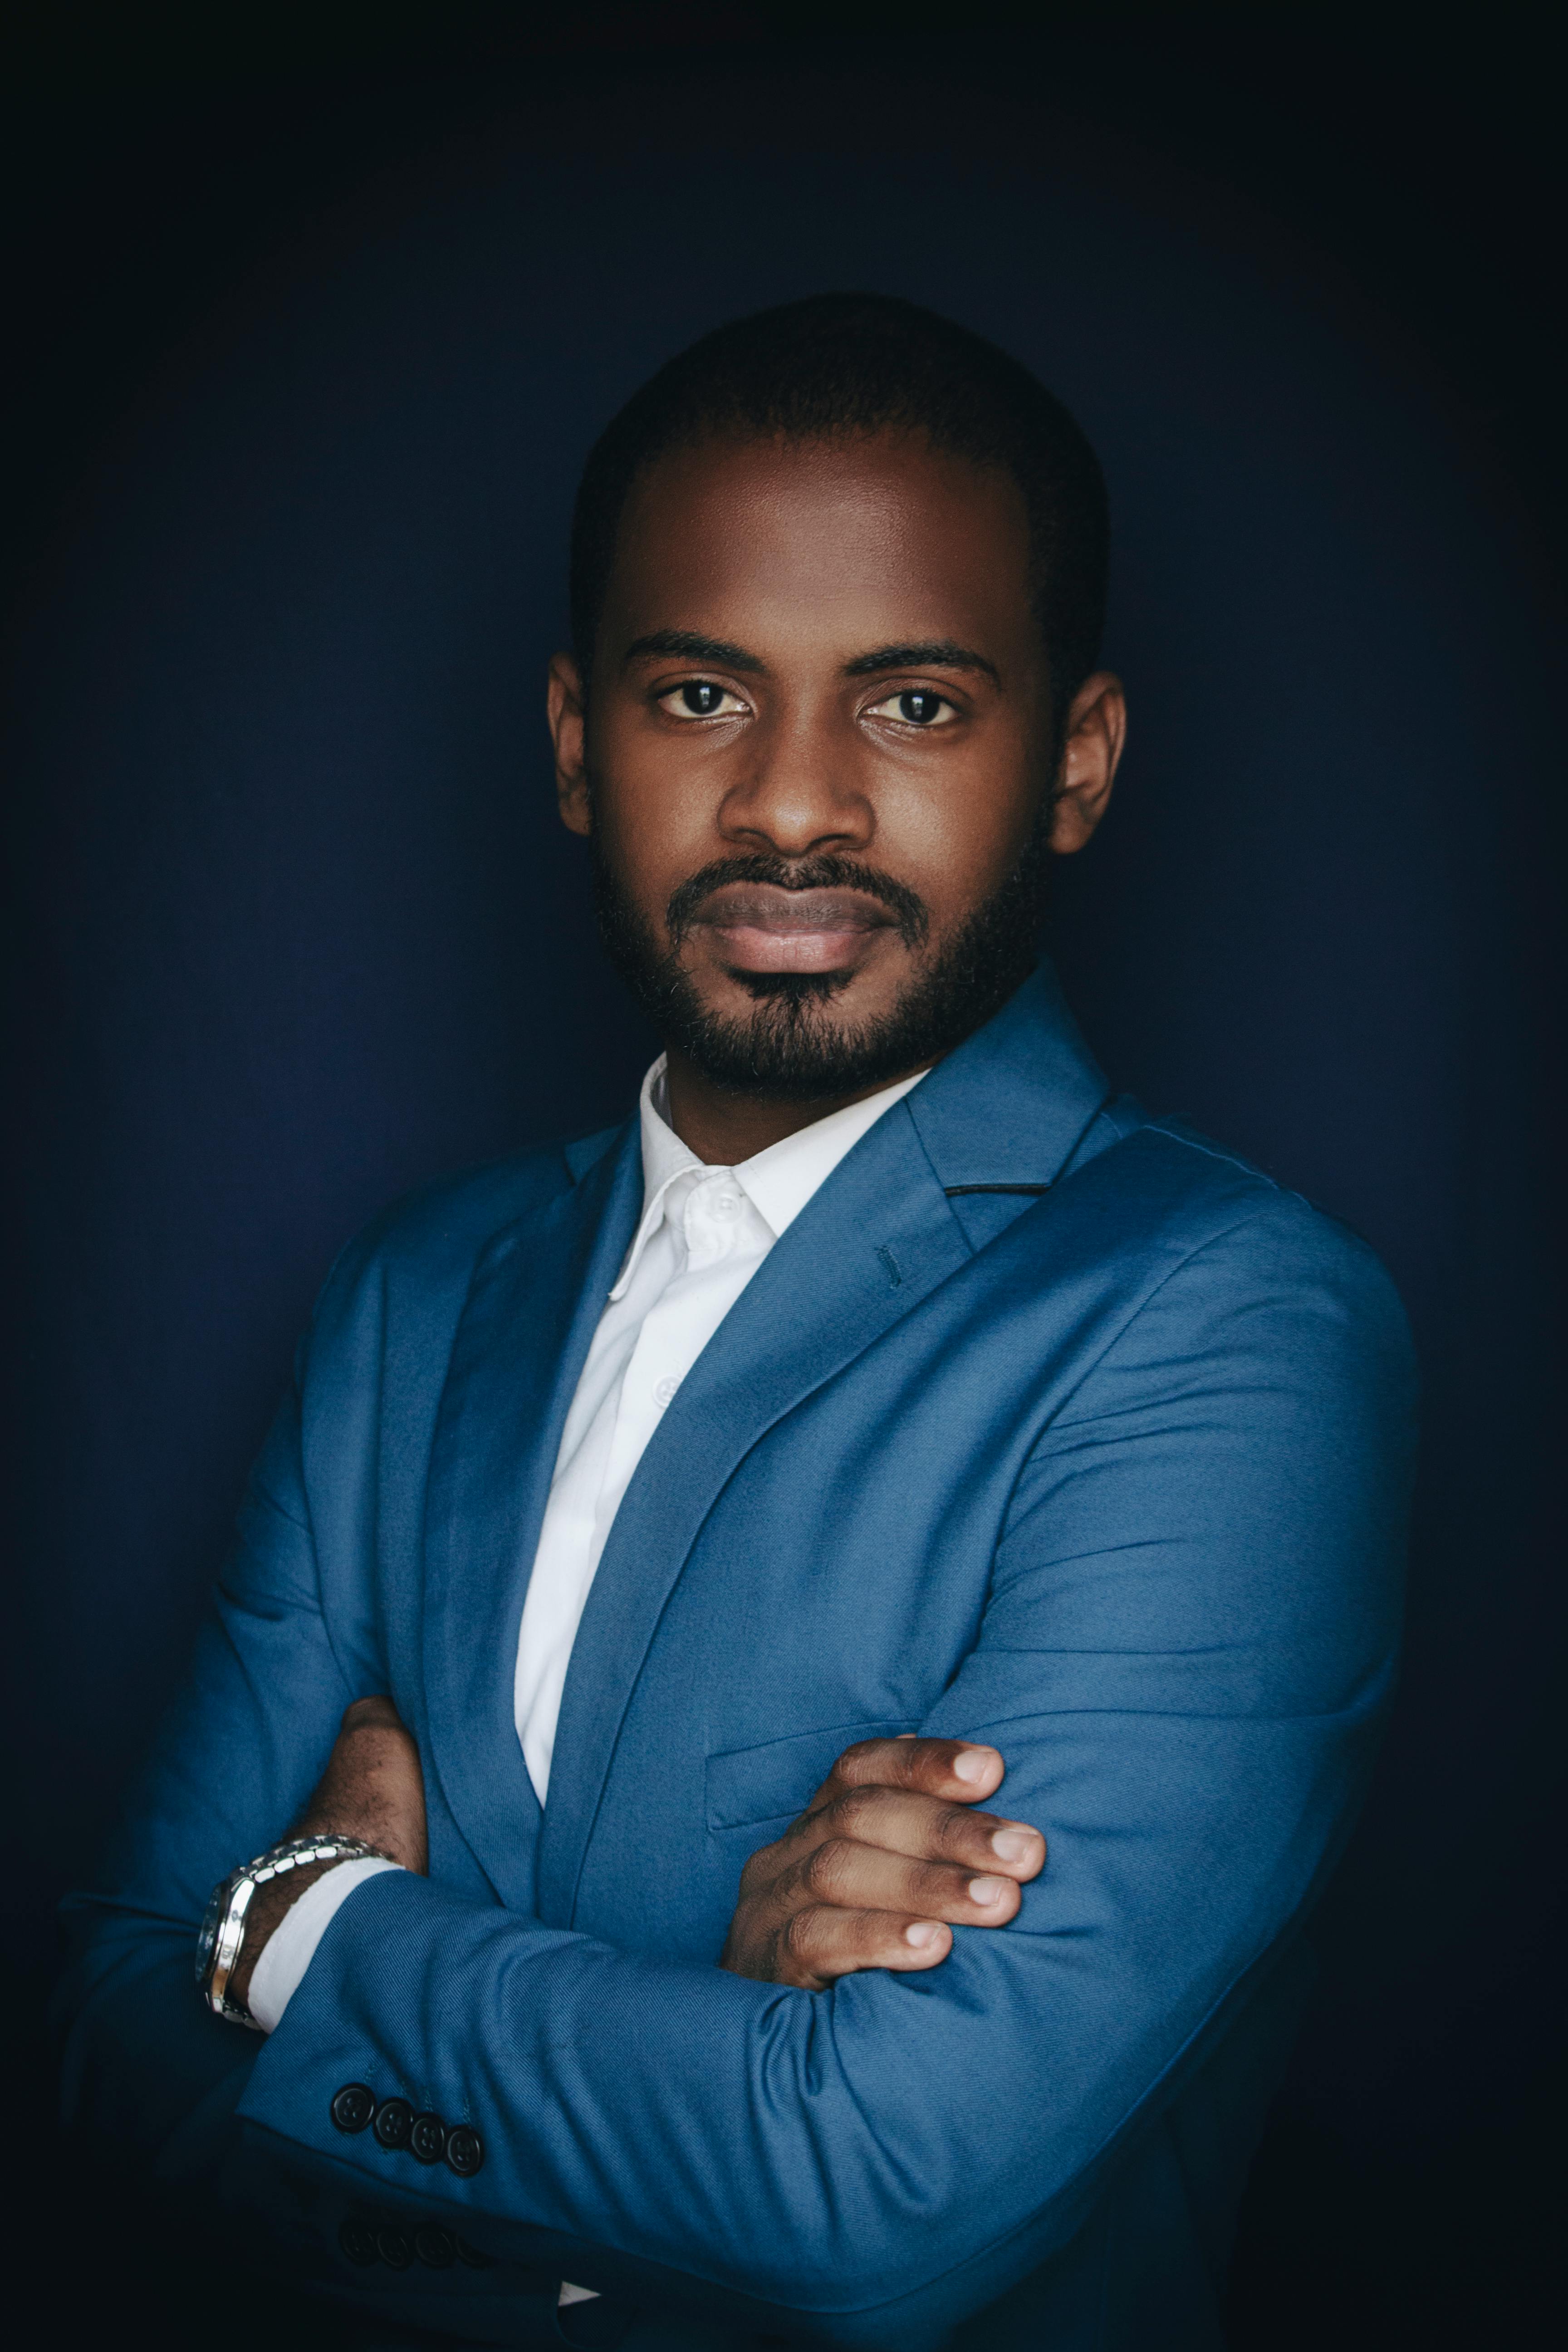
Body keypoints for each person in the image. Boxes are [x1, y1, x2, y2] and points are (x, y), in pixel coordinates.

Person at [58, 294, 1416, 2350]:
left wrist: (309, 1922)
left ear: (1079, 762)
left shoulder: (1234, 1328)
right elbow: (107, 2030)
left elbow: (881, 2192)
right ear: (576, 744)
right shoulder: (413, 1294)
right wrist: (654, 2109)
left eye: (916, 706)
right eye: (703, 693)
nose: (795, 806)